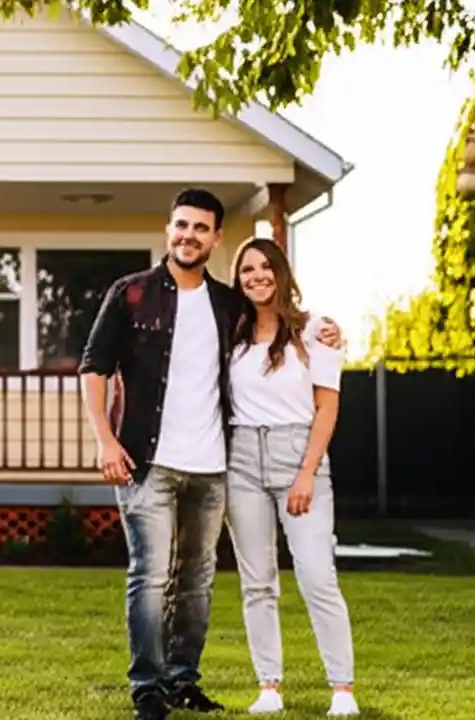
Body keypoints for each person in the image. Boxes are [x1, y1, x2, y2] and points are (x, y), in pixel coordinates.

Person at [77, 188, 342, 720]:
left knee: (197, 581)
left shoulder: (228, 305)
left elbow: (277, 316)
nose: (188, 235)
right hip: (146, 461)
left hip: (213, 466)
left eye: (201, 228)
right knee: (150, 576)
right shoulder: (131, 293)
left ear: (216, 238)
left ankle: (183, 680)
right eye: (181, 225)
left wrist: (326, 329)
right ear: (168, 229)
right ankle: (148, 688)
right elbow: (93, 368)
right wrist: (105, 440)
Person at [223, 237, 359, 717]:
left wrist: (307, 473)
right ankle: (269, 687)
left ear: (281, 272)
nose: (257, 276)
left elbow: (327, 407)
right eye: (247, 270)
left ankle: (342, 689)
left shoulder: (315, 329)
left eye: (265, 267)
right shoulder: (232, 334)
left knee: (317, 575)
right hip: (241, 460)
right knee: (257, 583)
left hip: (299, 455)